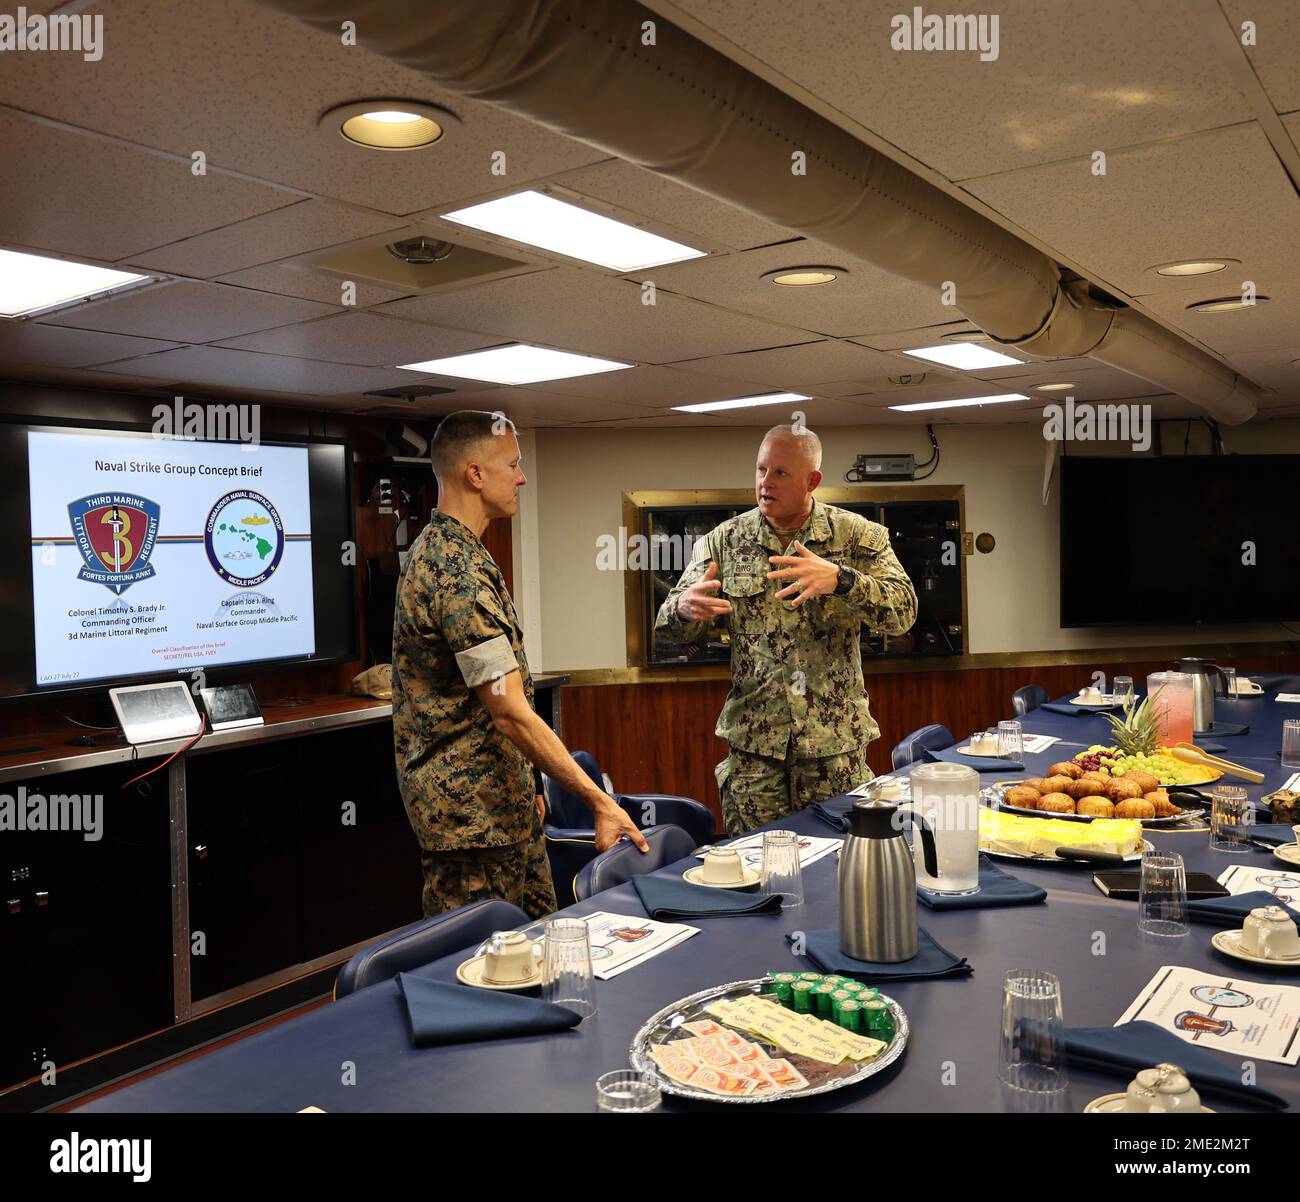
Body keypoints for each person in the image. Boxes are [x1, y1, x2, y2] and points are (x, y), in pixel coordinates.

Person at [393, 410, 647, 920]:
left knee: (540, 952)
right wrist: (599, 801)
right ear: (475, 474)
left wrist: (526, 783)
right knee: (482, 975)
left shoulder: (464, 554)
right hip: (470, 822)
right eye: (513, 464)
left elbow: (489, 706)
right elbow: (508, 711)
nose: (523, 476)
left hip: (501, 810)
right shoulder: (453, 571)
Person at [656, 424, 918, 835]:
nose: (765, 483)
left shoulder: (856, 536)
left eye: (780, 473)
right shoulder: (725, 541)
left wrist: (842, 580)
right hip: (755, 752)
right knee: (757, 871)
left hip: (833, 749)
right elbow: (669, 623)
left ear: (812, 480)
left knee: (837, 868)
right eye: (761, 470)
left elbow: (903, 612)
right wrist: (685, 610)